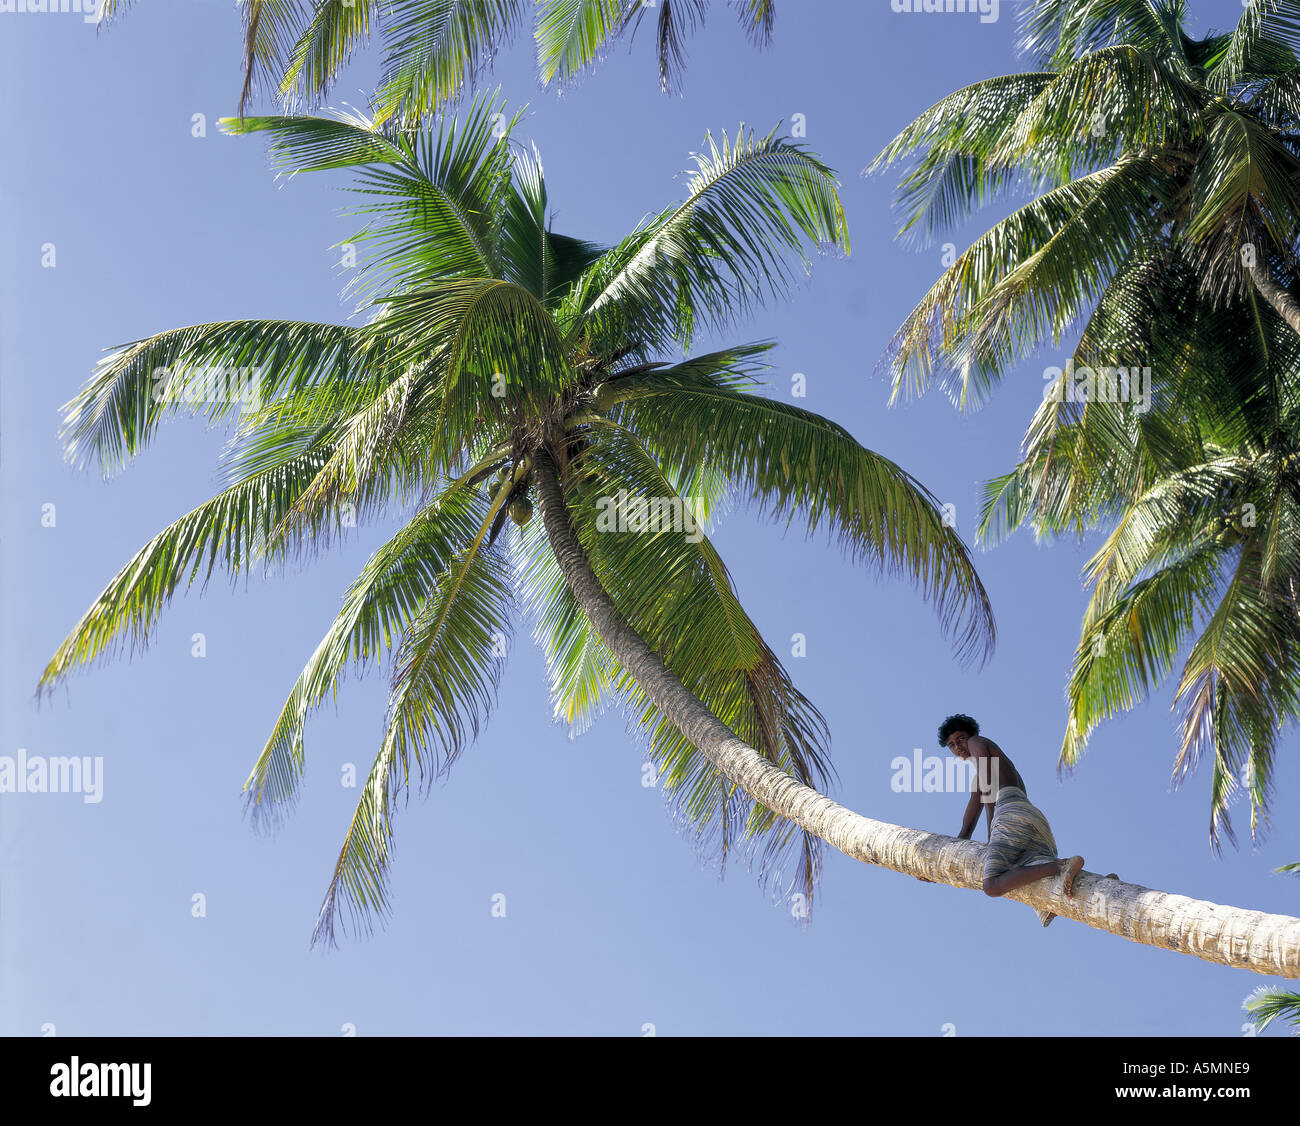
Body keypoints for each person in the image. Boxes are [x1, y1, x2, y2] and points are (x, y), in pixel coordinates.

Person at [929, 713, 1084, 927]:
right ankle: (1102, 884)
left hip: (1010, 813)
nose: (958, 747)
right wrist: (936, 868)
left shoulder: (978, 743)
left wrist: (993, 834)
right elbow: (967, 827)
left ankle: (1059, 866)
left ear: (971, 736)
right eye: (952, 745)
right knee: (1039, 879)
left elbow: (989, 791)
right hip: (1032, 820)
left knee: (992, 885)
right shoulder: (984, 774)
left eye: (961, 739)